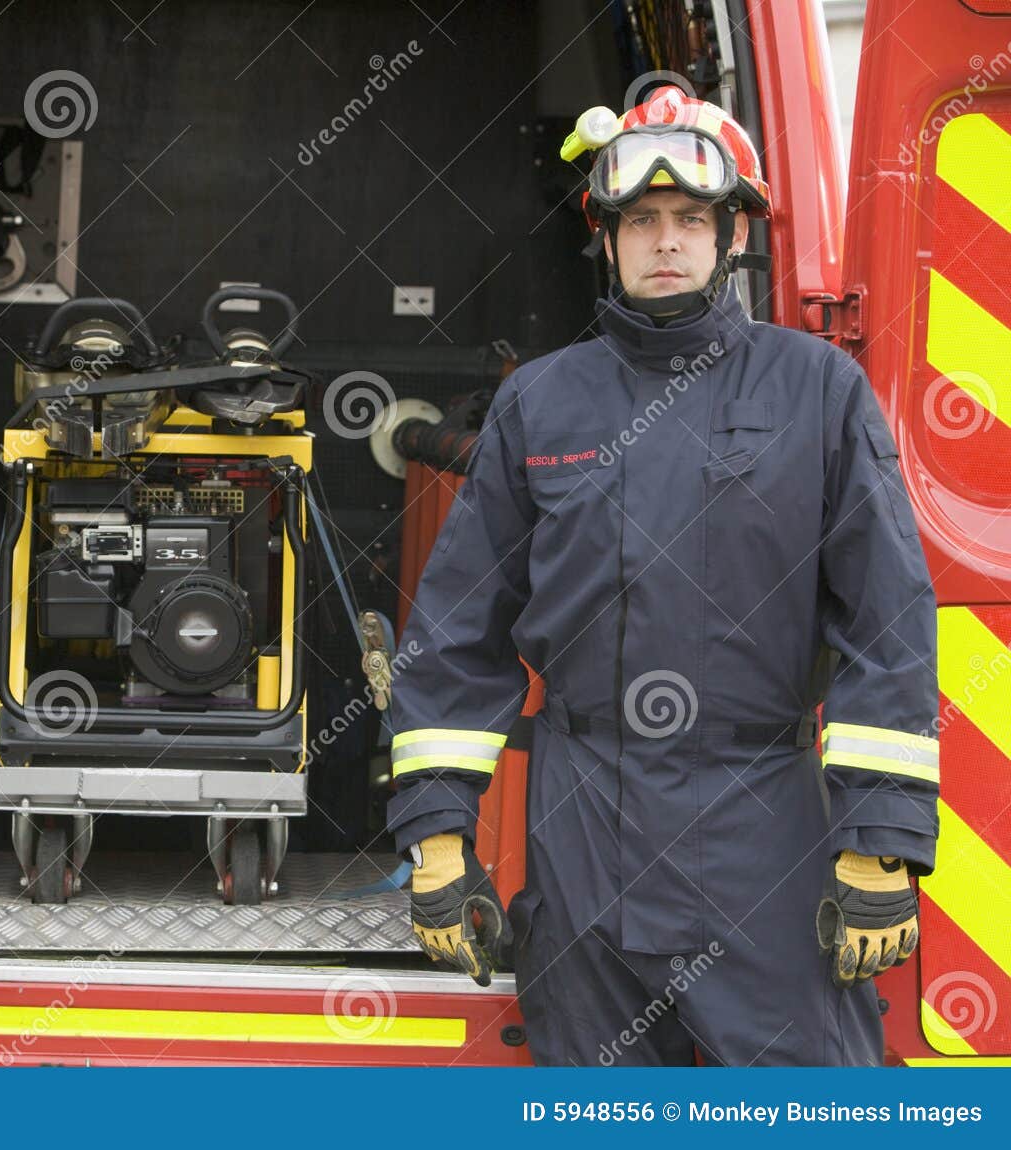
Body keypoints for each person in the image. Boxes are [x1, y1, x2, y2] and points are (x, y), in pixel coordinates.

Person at [387, 87, 938, 1065]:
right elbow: (461, 625)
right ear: (606, 240)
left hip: (759, 827)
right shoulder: (540, 403)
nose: (666, 241)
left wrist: (878, 837)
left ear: (730, 235)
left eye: (689, 218)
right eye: (641, 221)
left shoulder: (816, 390)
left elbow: (885, 618)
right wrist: (436, 830)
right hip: (580, 834)